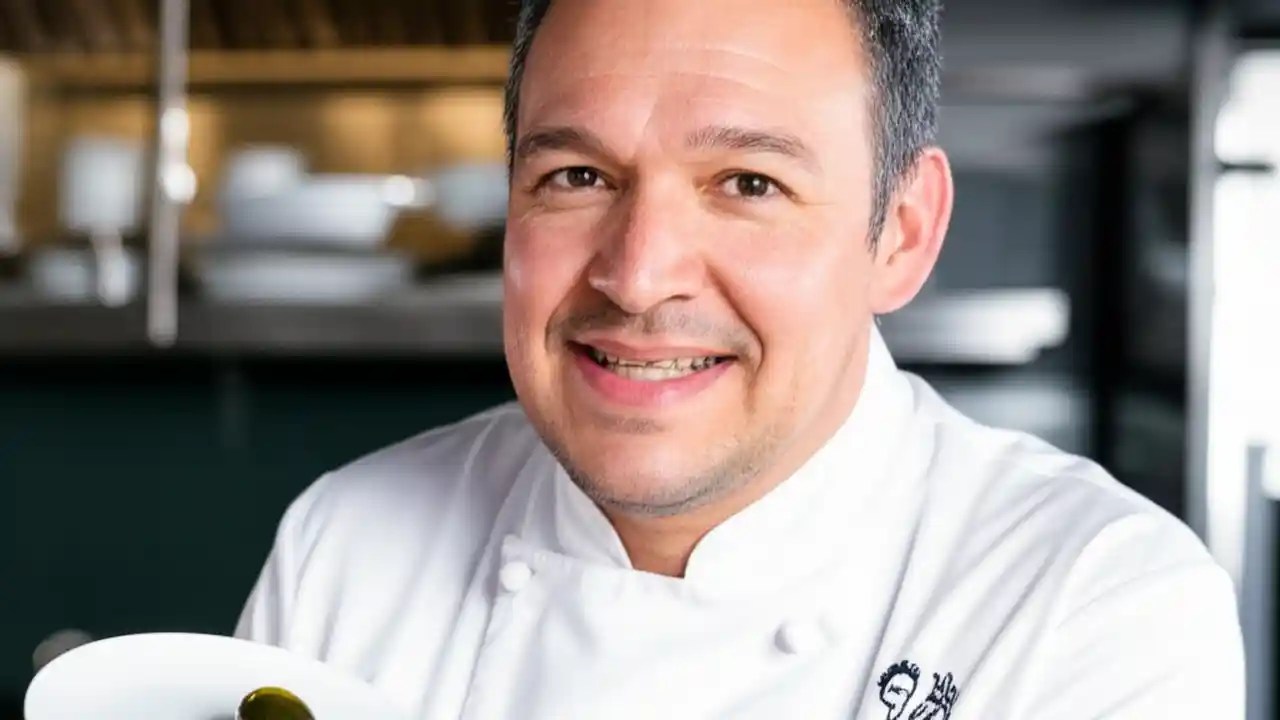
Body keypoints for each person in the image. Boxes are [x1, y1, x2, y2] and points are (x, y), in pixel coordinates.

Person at [235, 0, 1245, 717]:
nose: (636, 276)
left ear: (898, 232)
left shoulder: (1086, 602)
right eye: (577, 174)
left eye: (746, 183)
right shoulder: (347, 549)